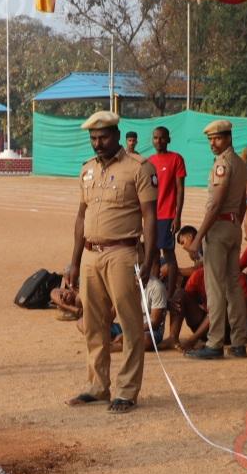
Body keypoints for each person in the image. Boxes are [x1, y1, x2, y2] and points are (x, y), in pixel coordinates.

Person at [62, 110, 158, 413]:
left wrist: (150, 258)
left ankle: (127, 390)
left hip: (123, 253)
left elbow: (150, 217)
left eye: (102, 137)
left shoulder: (139, 168)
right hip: (91, 255)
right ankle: (98, 386)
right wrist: (74, 261)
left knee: (130, 324)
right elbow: (81, 216)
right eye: (92, 138)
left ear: (117, 135)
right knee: (93, 324)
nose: (97, 143)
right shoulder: (87, 169)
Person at [184, 120, 247, 359]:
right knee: (233, 286)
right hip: (232, 226)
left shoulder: (222, 165)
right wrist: (237, 223)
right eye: (210, 139)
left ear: (228, 138)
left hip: (219, 227)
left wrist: (198, 237)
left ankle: (215, 342)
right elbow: (243, 201)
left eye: (218, 138)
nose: (213, 143)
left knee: (215, 288)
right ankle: (239, 342)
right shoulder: (240, 163)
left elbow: (216, 204)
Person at [149, 126, 187, 296]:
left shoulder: (176, 159)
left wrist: (177, 216)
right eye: (156, 138)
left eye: (162, 138)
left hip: (167, 215)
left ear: (168, 139)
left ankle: (170, 294)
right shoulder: (149, 162)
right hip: (151, 216)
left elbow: (180, 189)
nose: (159, 141)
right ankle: (156, 293)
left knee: (169, 256)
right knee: (153, 256)